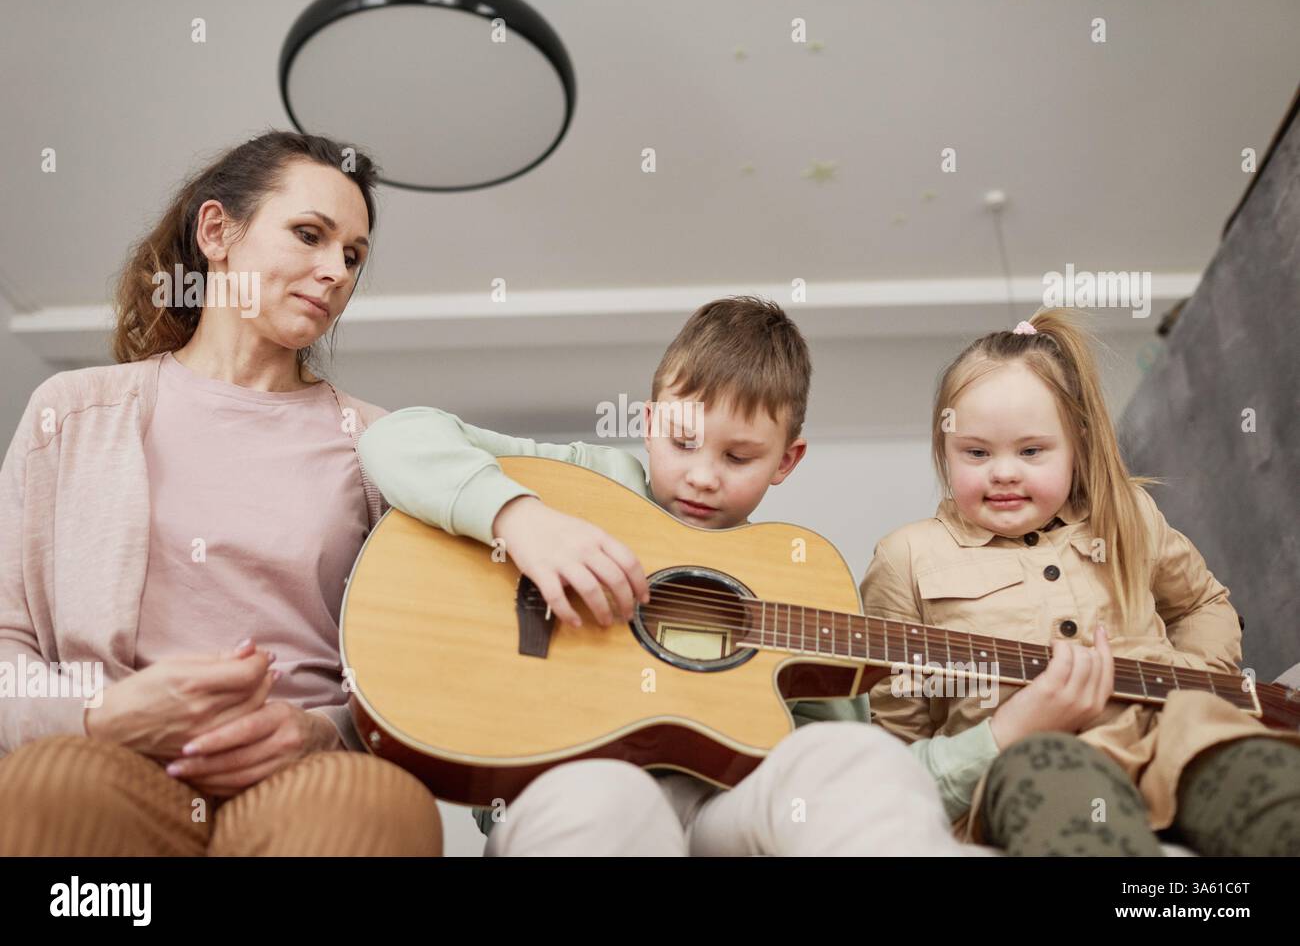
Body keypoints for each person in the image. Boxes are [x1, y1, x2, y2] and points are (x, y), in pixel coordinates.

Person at [359, 296, 992, 855]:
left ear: (786, 461)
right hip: (575, 786)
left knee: (854, 757)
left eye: (738, 456)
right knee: (610, 800)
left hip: (723, 819)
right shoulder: (595, 482)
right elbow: (397, 437)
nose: (702, 475)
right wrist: (522, 520)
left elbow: (824, 756)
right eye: (681, 441)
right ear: (648, 421)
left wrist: (1002, 732)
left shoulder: (800, 579)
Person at [0, 130, 441, 856]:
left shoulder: (379, 445)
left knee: (378, 807)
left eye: (354, 256)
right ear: (217, 232)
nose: (336, 271)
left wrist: (321, 731)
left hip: (303, 782)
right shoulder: (72, 413)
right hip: (106, 764)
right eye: (309, 235)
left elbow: (414, 674)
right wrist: (102, 713)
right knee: (46, 787)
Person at [860, 309, 1300, 855]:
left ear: (1078, 444)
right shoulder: (906, 555)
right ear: (944, 447)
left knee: (1259, 774)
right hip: (1030, 756)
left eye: (1031, 451)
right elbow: (898, 732)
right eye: (976, 452)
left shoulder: (1128, 513)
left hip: (1167, 731)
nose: (1003, 472)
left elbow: (1202, 604)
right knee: (1052, 786)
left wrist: (1189, 680)